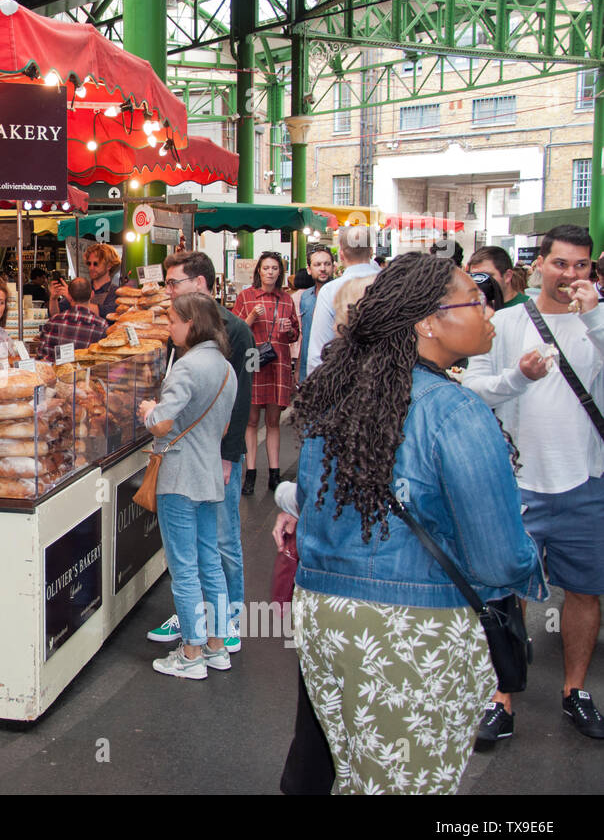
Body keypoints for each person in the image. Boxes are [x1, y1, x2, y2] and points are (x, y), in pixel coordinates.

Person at [286, 253, 541, 794]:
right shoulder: (456, 411)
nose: (490, 311)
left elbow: (313, 507)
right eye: (476, 299)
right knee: (411, 784)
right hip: (414, 629)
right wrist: (532, 564)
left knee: (359, 776)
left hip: (325, 616)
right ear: (427, 322)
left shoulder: (337, 398)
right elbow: (500, 557)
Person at [463, 224, 604, 742]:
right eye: (561, 263)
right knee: (507, 594)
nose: (570, 275)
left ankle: (575, 691)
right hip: (516, 482)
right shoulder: (503, 321)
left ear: (592, 268)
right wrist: (518, 376)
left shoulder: (599, 321)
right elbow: (475, 390)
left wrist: (594, 317)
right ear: (538, 263)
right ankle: (502, 696)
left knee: (586, 592)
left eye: (581, 265)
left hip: (586, 482)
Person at [147, 252, 254, 654]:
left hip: (198, 462)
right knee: (205, 553)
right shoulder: (207, 353)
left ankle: (209, 634)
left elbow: (237, 404)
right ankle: (209, 629)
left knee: (205, 552)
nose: (168, 292)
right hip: (205, 459)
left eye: (174, 284)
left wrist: (227, 454)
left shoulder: (229, 336)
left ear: (200, 285)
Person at [138, 292, 238, 679]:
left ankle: (191, 652)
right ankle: (217, 645)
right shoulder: (227, 369)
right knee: (209, 561)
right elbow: (225, 426)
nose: (169, 327)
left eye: (173, 320)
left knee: (183, 568)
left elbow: (162, 424)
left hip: (179, 476)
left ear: (191, 324)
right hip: (209, 475)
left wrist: (150, 411)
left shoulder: (185, 365)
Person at [233, 251, 299, 494]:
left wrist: (289, 329)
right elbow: (235, 331)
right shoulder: (246, 297)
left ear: (280, 272)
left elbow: (295, 334)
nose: (270, 272)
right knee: (250, 421)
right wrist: (251, 317)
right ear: (258, 271)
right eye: (266, 268)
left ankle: (274, 473)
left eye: (274, 268)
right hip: (253, 358)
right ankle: (250, 473)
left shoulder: (287, 299)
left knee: (273, 421)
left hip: (278, 360)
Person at [306, 225, 381, 375]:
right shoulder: (389, 286)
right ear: (371, 252)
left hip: (344, 377)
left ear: (341, 255)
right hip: (384, 376)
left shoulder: (330, 291)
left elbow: (319, 350)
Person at [33, 277, 107, 362]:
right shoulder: (101, 325)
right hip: (87, 374)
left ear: (70, 296)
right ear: (92, 295)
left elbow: (40, 357)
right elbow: (103, 361)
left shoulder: (53, 321)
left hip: (57, 373)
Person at [295, 245, 335, 381]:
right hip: (309, 367)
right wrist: (299, 368)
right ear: (309, 269)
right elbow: (304, 334)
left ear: (333, 267)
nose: (322, 268)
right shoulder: (306, 297)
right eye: (317, 264)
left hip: (335, 366)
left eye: (327, 264)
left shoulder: (342, 293)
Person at [55, 243, 121, 320]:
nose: (91, 268)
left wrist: (73, 300)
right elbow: (58, 313)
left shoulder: (115, 292)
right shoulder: (82, 287)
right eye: (89, 264)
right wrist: (53, 300)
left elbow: (107, 313)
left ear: (109, 266)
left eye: (96, 264)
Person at [468, 245, 530, 310]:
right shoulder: (470, 308)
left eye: (486, 276)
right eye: (474, 276)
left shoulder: (529, 309)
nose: (479, 282)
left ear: (507, 276)